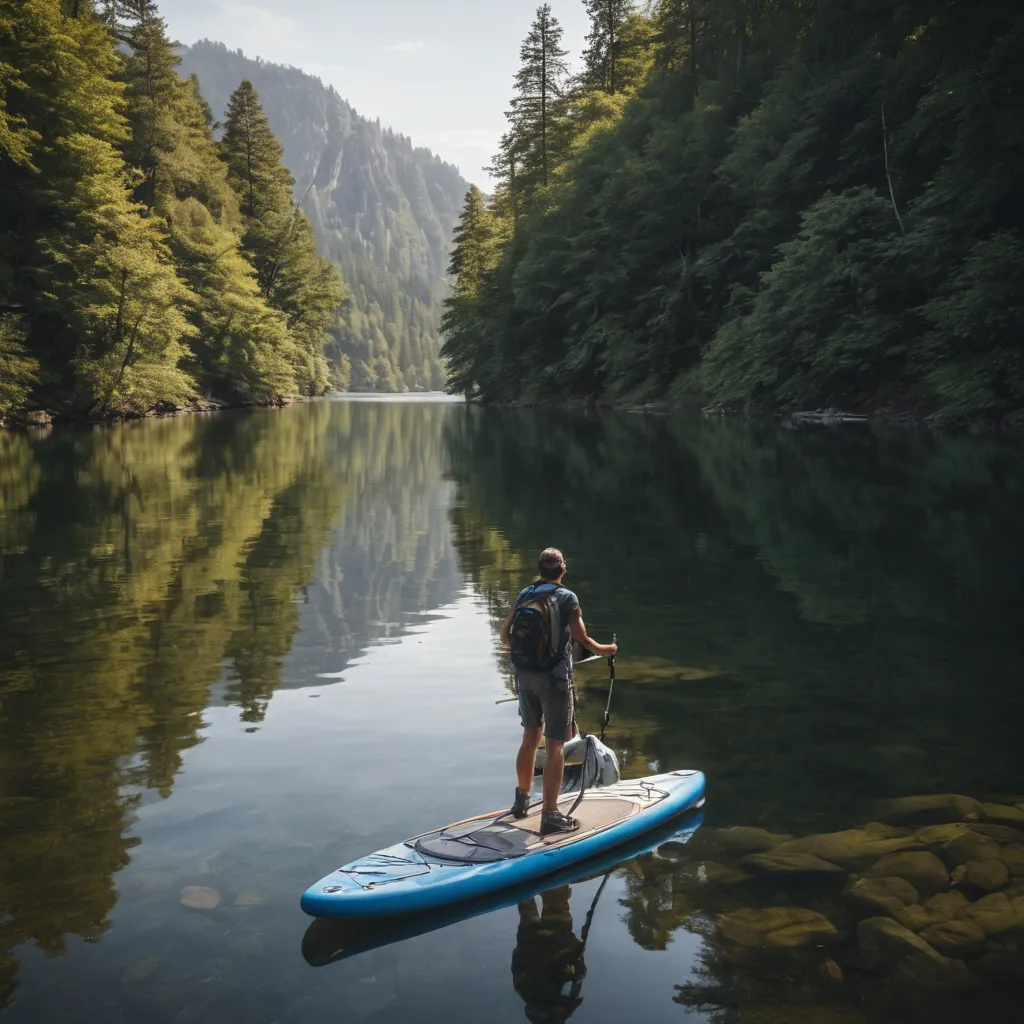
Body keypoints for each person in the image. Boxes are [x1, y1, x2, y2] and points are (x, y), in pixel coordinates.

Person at [500, 548, 617, 836]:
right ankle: (550, 814)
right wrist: (608, 650)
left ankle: (521, 802)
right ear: (562, 570)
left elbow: (505, 636)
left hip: (524, 676)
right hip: (554, 679)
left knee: (530, 738)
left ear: (539, 569)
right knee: (554, 746)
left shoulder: (524, 594)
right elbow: (583, 639)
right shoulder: (567, 598)